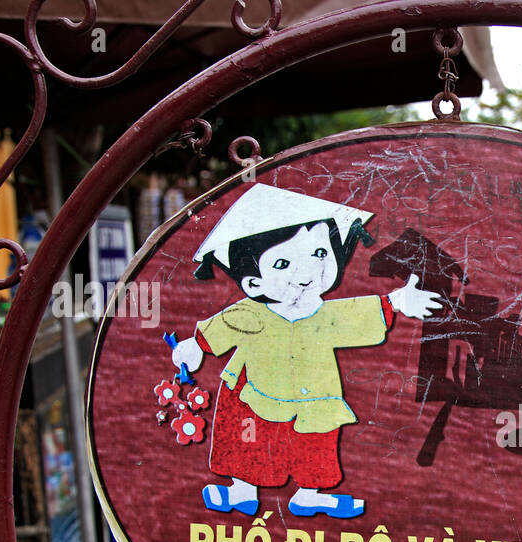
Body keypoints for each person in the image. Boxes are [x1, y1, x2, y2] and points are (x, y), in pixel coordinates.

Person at [169, 183, 441, 518]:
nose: (307, 271)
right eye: (282, 263)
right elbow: (218, 329)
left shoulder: (325, 314)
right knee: (249, 442)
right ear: (254, 283)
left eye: (319, 254)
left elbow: (357, 314)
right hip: (255, 394)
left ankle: (309, 495)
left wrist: (397, 302)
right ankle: (241, 491)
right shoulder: (251, 313)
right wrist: (194, 346)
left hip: (314, 395)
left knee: (315, 445)